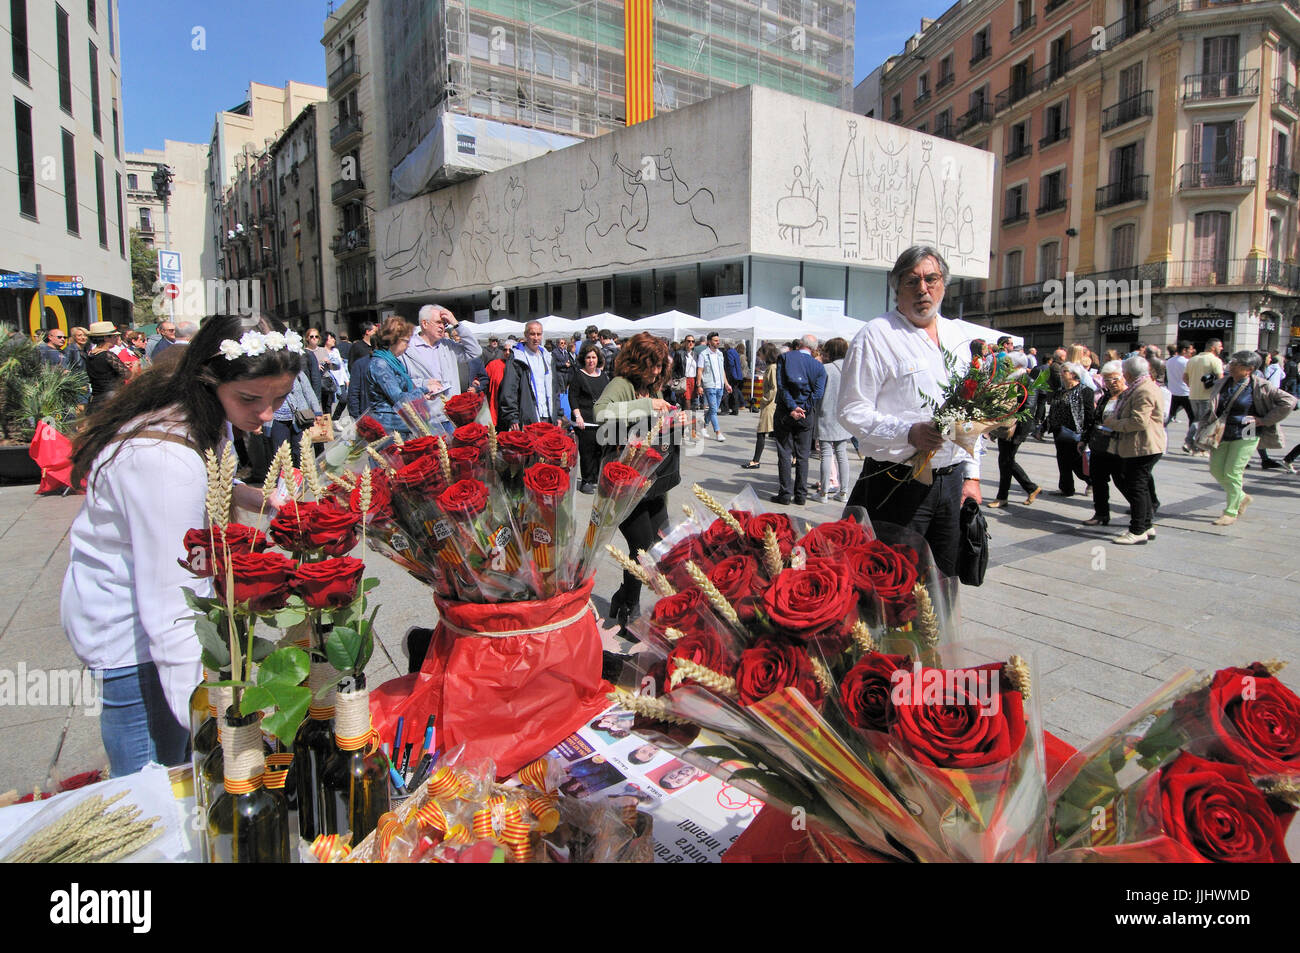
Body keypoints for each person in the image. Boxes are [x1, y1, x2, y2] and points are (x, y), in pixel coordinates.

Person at [62, 315, 301, 777]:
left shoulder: (199, 415)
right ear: (209, 380)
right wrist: (217, 725)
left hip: (146, 614)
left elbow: (213, 482)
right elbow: (170, 608)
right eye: (250, 399)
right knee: (154, 778)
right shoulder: (164, 461)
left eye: (281, 399)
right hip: (130, 633)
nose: (267, 415)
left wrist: (254, 496)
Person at [838, 246, 982, 578]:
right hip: (896, 482)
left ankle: (938, 632)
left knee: (943, 582)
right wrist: (908, 432)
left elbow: (971, 417)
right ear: (896, 288)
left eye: (931, 279)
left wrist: (972, 475)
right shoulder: (876, 335)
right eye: (911, 281)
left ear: (944, 284)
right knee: (890, 585)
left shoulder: (959, 337)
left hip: (951, 481)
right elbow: (850, 410)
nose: (922, 289)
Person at [594, 332, 680, 626]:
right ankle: (630, 608)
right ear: (637, 361)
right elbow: (601, 413)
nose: (657, 371)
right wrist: (646, 407)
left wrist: (673, 419)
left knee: (654, 546)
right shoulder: (622, 385)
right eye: (652, 364)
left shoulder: (651, 387)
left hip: (652, 481)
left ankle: (622, 597)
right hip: (624, 480)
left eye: (660, 366)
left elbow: (656, 428)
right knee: (641, 546)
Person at [1202, 351, 1297, 525]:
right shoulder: (1223, 382)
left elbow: (1289, 401)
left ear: (1248, 369)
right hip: (1222, 430)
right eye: (1231, 362)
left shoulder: (1261, 385)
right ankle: (1242, 497)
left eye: (1235, 364)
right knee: (1216, 469)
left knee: (1233, 471)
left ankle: (1231, 511)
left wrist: (1265, 420)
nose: (1230, 366)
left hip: (1249, 429)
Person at [1103, 355, 1166, 544]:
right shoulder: (1142, 386)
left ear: (1128, 374)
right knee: (1142, 487)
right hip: (1141, 445)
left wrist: (1113, 423)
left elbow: (1139, 421)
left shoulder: (1143, 390)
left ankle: (1137, 530)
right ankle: (1146, 525)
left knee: (1137, 487)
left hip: (1143, 446)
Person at [768, 334, 825, 505]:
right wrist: (803, 408)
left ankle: (785, 493)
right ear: (814, 349)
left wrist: (793, 407)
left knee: (784, 453)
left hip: (786, 412)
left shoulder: (785, 358)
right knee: (803, 456)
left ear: (800, 344)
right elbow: (818, 393)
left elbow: (782, 386)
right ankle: (800, 495)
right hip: (805, 415)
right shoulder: (819, 367)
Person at [366, 315, 437, 436]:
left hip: (400, 425)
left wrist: (422, 394)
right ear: (393, 339)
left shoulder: (392, 361)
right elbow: (398, 397)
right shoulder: (380, 364)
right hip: (389, 428)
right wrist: (424, 390)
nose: (408, 345)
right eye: (405, 341)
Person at [402, 304, 482, 406]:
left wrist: (456, 324)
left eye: (444, 324)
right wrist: (424, 384)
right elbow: (401, 382)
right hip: (426, 415)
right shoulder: (407, 349)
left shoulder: (447, 346)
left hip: (450, 413)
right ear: (425, 324)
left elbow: (475, 351)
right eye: (438, 322)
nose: (442, 326)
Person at [1081, 361, 1128, 526]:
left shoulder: (1128, 397)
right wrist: (1084, 440)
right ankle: (1101, 513)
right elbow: (1094, 420)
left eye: (1114, 379)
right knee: (1098, 480)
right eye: (1107, 380)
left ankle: (1142, 511)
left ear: (1124, 377)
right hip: (1099, 444)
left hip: (1119, 446)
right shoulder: (1105, 397)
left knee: (1122, 480)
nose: (1111, 383)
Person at [1047, 362, 1095, 497]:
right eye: (1062, 371)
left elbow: (1089, 413)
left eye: (1065, 371)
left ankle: (1091, 481)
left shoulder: (1085, 391)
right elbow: (1052, 411)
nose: (1062, 374)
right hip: (1059, 431)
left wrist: (1087, 433)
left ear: (1074, 374)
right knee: (1062, 461)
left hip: (1076, 432)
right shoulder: (1060, 391)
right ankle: (1066, 488)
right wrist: (1044, 427)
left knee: (1077, 462)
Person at [268, 354, 323, 467]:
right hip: (277, 419)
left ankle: (301, 480)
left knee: (300, 451)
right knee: (281, 454)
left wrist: (317, 411)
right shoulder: (268, 376)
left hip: (299, 418)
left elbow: (309, 392)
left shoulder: (298, 374)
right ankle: (285, 482)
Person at [568, 342, 609, 494]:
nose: (591, 360)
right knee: (587, 453)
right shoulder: (579, 375)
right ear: (583, 359)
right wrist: (577, 416)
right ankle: (586, 480)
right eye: (588, 357)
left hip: (601, 420)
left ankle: (596, 478)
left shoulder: (603, 375)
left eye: (594, 357)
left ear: (598, 359)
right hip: (584, 421)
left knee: (600, 451)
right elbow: (573, 397)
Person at [500, 320, 556, 429]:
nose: (536, 338)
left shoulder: (547, 357)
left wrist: (558, 414)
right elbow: (509, 389)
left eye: (538, 334)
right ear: (526, 335)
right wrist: (512, 416)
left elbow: (554, 388)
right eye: (532, 334)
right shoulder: (517, 357)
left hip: (548, 415)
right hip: (528, 416)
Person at [816, 337, 852, 504]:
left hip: (826, 414)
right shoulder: (850, 368)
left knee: (826, 454)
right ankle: (843, 492)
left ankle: (823, 493)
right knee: (842, 454)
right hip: (843, 416)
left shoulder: (826, 369)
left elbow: (819, 393)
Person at [742, 343, 780, 471]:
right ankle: (793, 457)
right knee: (770, 433)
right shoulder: (771, 366)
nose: (759, 356)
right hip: (770, 404)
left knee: (762, 432)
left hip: (770, 405)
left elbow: (774, 387)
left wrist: (764, 400)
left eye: (761, 354)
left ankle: (756, 460)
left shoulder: (772, 368)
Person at [1184, 338, 1224, 453]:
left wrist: (1192, 385)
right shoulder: (1215, 360)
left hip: (1193, 395)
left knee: (1197, 419)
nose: (1221, 348)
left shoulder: (1192, 360)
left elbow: (1185, 378)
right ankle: (1190, 442)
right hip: (1207, 395)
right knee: (1202, 421)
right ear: (1212, 347)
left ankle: (1195, 445)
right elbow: (1221, 379)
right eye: (1219, 346)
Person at [84, 322, 134, 412]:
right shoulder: (108, 355)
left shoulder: (91, 354)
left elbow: (102, 370)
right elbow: (128, 374)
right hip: (111, 399)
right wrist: (135, 364)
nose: (116, 338)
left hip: (96, 399)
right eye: (114, 336)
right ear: (106, 337)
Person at [696, 332, 730, 442]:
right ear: (709, 342)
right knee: (714, 410)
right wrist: (699, 385)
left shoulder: (720, 354)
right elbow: (700, 371)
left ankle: (703, 426)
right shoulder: (703, 354)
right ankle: (718, 432)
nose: (718, 342)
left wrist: (726, 383)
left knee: (712, 409)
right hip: (709, 385)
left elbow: (722, 371)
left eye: (718, 340)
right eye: (715, 340)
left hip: (720, 385)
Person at [347, 319, 377, 418]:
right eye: (375, 332)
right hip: (362, 386)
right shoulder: (357, 347)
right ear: (367, 332)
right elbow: (351, 365)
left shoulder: (376, 349)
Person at [1165, 341, 1194, 426]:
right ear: (1184, 350)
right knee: (1192, 417)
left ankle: (1162, 432)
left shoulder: (1169, 361)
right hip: (1186, 393)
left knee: (1168, 416)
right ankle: (1191, 437)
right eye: (1190, 349)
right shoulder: (1187, 362)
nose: (1192, 351)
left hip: (1173, 392)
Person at [724, 340, 745, 415]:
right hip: (738, 375)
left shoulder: (729, 352)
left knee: (728, 391)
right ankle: (735, 409)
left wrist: (728, 375)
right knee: (735, 392)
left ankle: (726, 408)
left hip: (732, 375)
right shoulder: (735, 352)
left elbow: (730, 364)